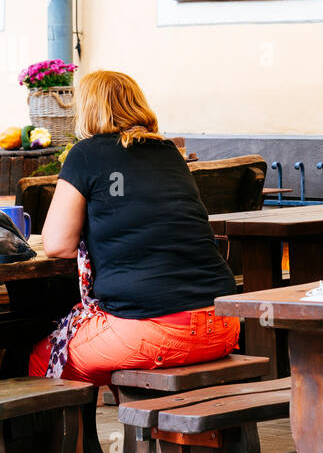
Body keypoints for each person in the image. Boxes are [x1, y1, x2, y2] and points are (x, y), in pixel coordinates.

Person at [28, 69, 239, 390]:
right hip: (223, 325)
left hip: (157, 333)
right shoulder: (169, 153)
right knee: (113, 353)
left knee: (45, 358)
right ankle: (154, 430)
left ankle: (91, 442)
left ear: (87, 109)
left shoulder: (85, 155)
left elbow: (57, 245)